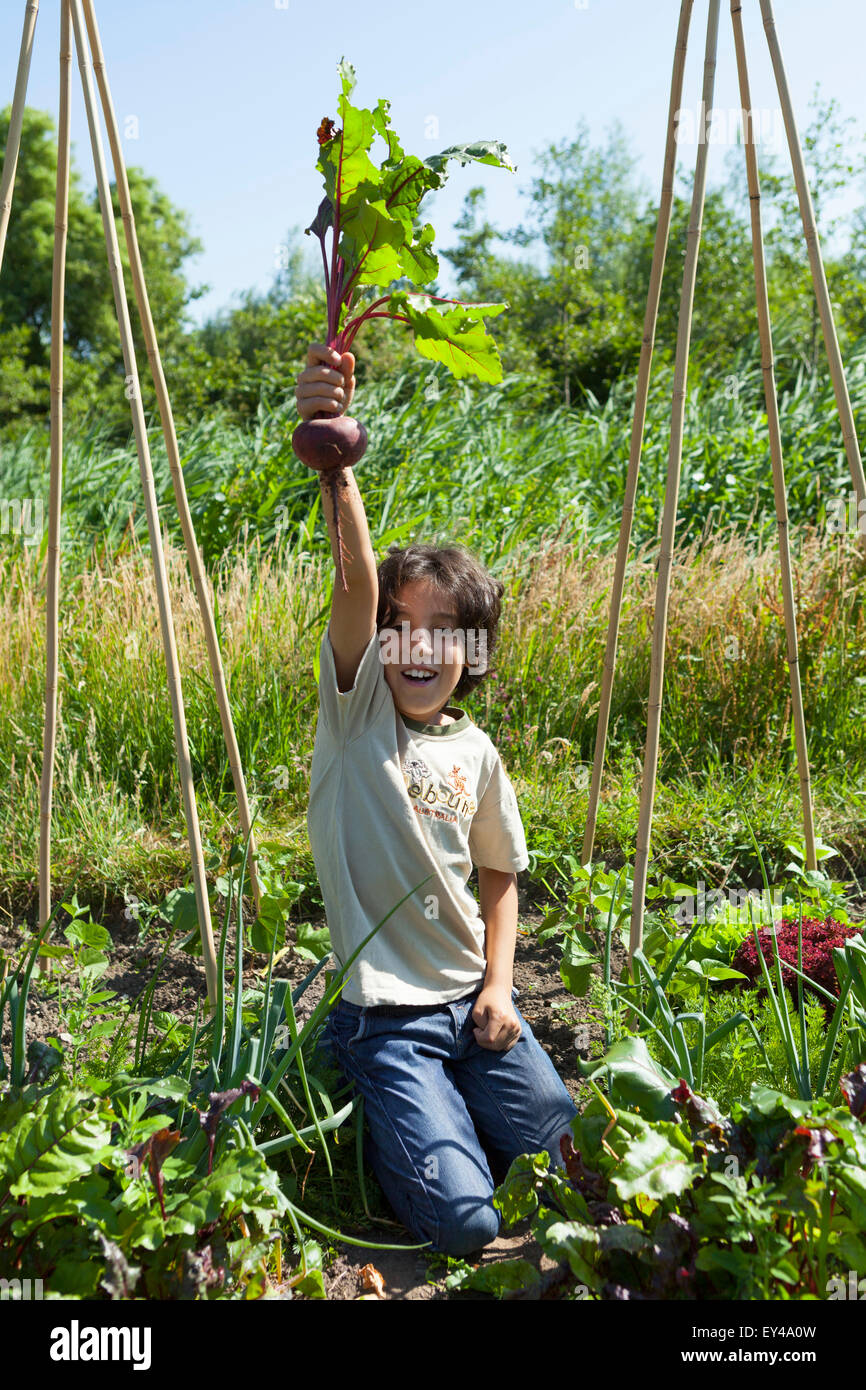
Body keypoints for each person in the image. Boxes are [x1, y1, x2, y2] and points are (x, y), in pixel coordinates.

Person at [298, 342, 578, 1259]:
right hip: (388, 1018)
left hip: (474, 1005)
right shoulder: (357, 719)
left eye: (446, 634)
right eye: (400, 631)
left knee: (576, 1163)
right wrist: (338, 466)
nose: (420, 649)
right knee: (469, 1225)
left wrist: (501, 986)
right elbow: (354, 585)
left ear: (476, 653)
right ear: (378, 646)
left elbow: (498, 873)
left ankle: (451, 1121)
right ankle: (403, 1131)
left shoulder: (479, 751)